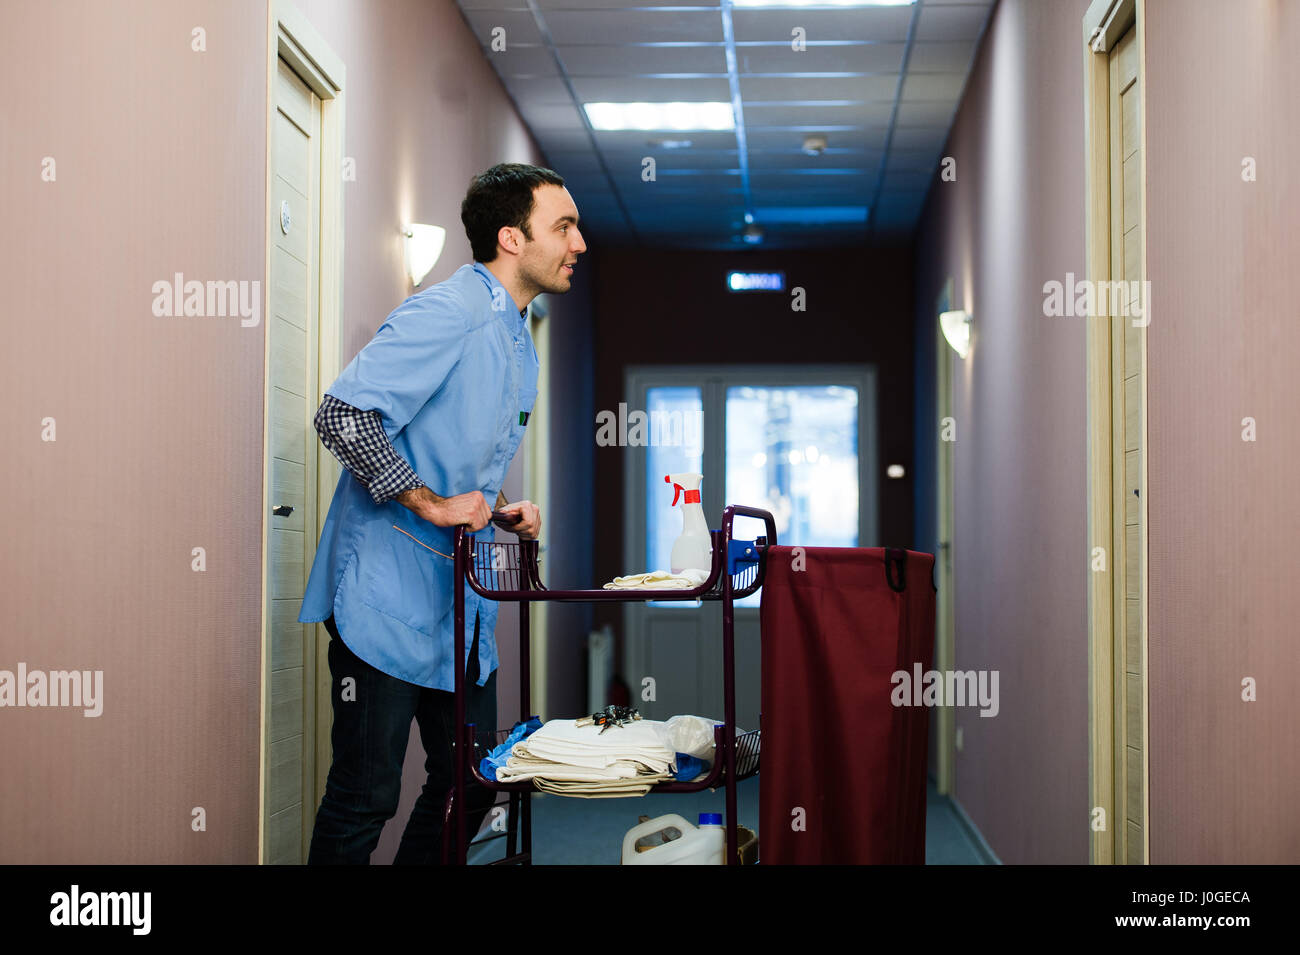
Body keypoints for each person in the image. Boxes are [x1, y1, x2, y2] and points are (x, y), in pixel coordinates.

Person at [297, 163, 586, 864]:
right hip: (385, 596)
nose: (579, 243)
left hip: (456, 604)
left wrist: (499, 511)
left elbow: (460, 464)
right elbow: (341, 415)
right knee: (367, 792)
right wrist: (426, 499)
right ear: (511, 238)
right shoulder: (448, 312)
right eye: (565, 226)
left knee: (472, 779)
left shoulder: (519, 339)